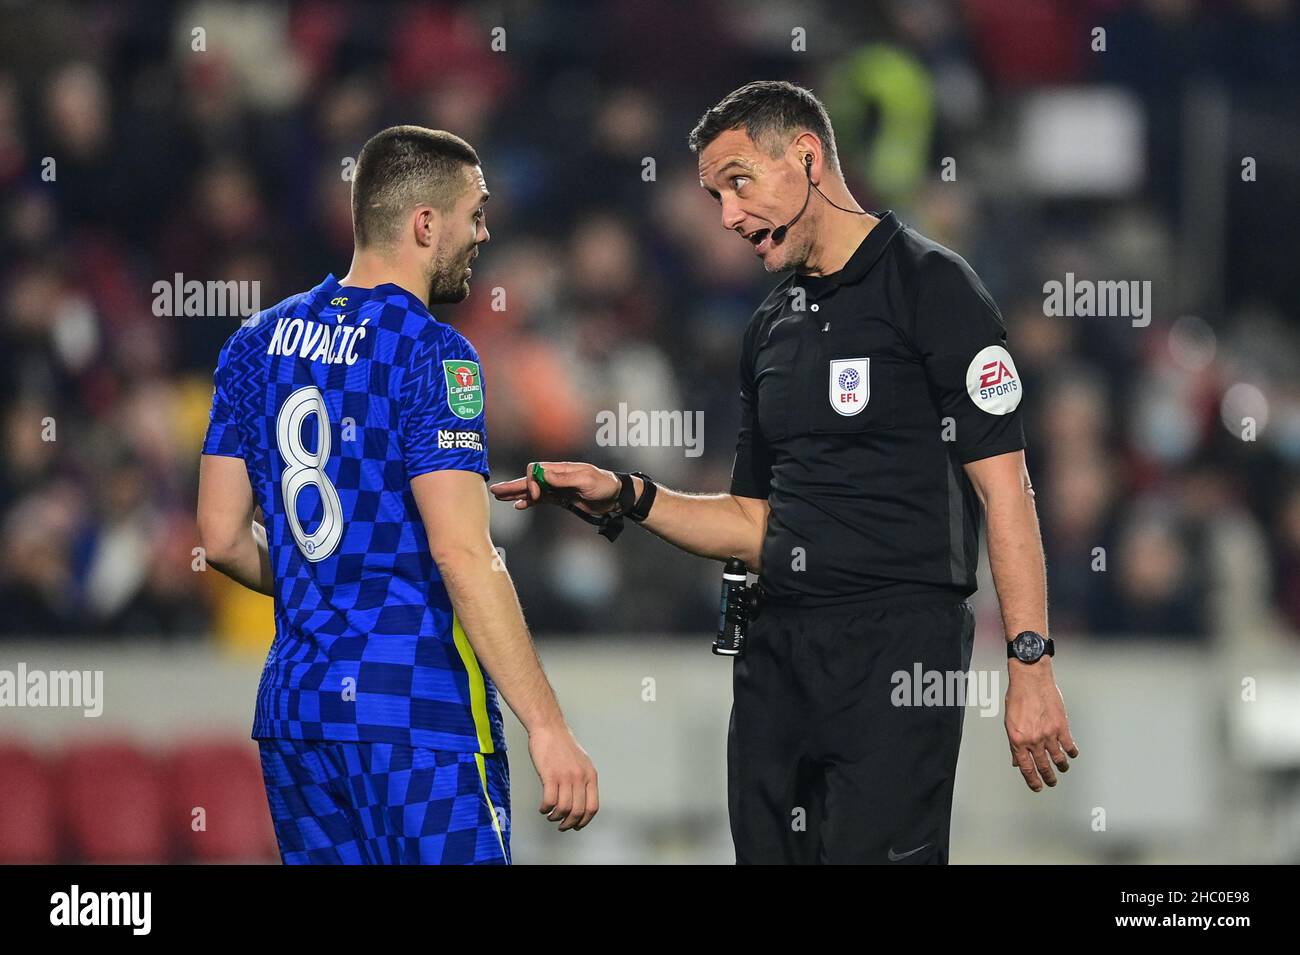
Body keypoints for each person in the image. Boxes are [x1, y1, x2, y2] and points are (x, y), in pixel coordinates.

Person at [491, 82, 1077, 864]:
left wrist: (1030, 659)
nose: (727, 215)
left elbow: (1006, 489)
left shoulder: (933, 287)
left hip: (897, 652)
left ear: (805, 156)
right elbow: (752, 522)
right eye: (712, 195)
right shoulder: (769, 326)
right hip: (776, 659)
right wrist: (628, 495)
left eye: (739, 182)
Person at [196, 126, 597, 864]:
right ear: (424, 223)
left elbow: (219, 537)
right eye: (475, 213)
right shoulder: (433, 352)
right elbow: (463, 552)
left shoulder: (254, 342)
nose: (485, 231)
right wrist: (547, 724)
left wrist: (336, 588)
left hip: (297, 714)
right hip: (416, 713)